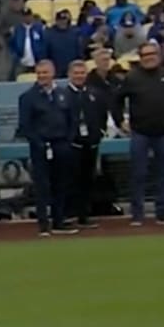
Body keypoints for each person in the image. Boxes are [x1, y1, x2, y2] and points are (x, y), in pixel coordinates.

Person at [115, 41, 164, 226]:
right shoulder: (132, 77)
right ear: (140, 57)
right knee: (138, 174)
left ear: (158, 55)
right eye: (145, 55)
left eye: (152, 54)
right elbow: (117, 100)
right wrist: (120, 121)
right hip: (140, 132)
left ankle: (163, 212)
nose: (149, 58)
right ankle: (137, 214)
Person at [17, 59, 76, 237]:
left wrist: (69, 139)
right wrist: (38, 142)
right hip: (40, 146)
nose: (42, 76)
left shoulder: (63, 94)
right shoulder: (28, 97)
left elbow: (72, 119)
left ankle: (59, 221)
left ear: (53, 73)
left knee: (61, 184)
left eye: (45, 72)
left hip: (61, 145)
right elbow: (25, 125)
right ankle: (43, 224)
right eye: (39, 73)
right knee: (42, 186)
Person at [64, 59, 108, 229]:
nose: (79, 76)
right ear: (69, 75)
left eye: (82, 73)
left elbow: (102, 115)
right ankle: (68, 214)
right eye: (76, 73)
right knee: (69, 181)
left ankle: (84, 215)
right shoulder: (63, 95)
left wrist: (100, 133)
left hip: (91, 145)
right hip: (71, 146)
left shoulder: (95, 94)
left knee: (87, 181)